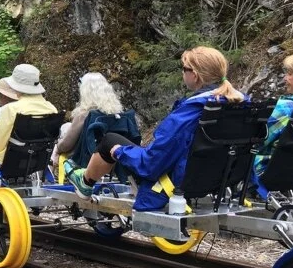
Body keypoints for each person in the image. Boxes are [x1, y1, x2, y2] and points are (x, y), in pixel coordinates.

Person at [64, 46, 246, 211]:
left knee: (110, 141)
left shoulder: (191, 111)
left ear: (195, 75)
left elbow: (151, 163)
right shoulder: (237, 104)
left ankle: (85, 182)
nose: (183, 73)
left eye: (184, 69)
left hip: (173, 181)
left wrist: (120, 152)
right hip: (217, 178)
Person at [253, 50, 293, 184]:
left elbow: (260, 139)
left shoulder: (287, 106)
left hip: (268, 171)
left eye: (290, 73)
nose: (285, 78)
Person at [51, 72, 125, 168]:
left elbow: (66, 146)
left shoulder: (84, 116)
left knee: (65, 129)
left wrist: (57, 148)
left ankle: (51, 171)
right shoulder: (118, 115)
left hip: (86, 161)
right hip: (113, 160)